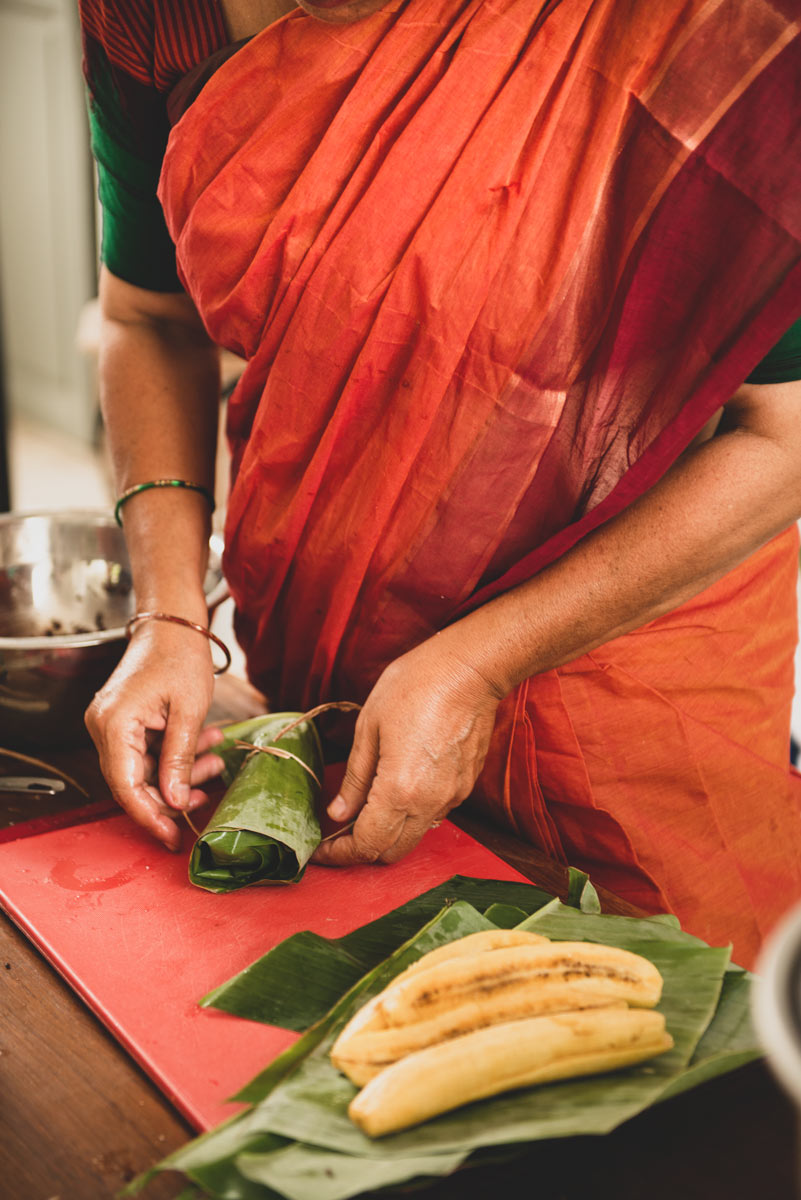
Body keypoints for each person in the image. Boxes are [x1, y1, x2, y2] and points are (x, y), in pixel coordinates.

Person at [79, 0, 801, 969]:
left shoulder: (711, 26)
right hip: (326, 669)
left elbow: (783, 435)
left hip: (626, 700)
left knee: (651, 1026)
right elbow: (147, 317)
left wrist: (479, 665)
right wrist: (168, 616)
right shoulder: (155, 18)